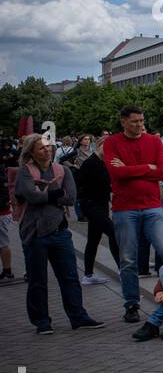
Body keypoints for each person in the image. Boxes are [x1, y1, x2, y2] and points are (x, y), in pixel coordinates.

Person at [14, 134, 104, 334]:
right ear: (31, 152)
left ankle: (78, 316)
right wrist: (54, 194)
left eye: (48, 147)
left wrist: (46, 196)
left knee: (70, 277)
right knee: (38, 280)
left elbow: (71, 198)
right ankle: (42, 321)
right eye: (41, 148)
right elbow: (31, 196)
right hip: (35, 233)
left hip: (60, 232)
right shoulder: (25, 172)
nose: (46, 151)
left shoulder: (62, 170)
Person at [103, 105, 163, 323]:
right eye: (135, 122)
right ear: (123, 122)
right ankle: (132, 304)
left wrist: (131, 168)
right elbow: (116, 172)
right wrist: (147, 168)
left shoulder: (153, 141)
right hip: (125, 209)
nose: (140, 125)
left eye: (142, 121)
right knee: (127, 259)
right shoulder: (112, 142)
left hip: (153, 206)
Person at [76, 136, 118, 286]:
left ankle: (88, 275)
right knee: (113, 232)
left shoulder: (103, 163)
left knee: (93, 239)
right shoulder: (90, 163)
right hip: (91, 205)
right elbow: (82, 186)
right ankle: (122, 269)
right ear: (99, 146)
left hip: (100, 205)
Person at [0, 136, 15, 283]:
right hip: (3, 209)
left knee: (3, 242)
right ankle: (6, 269)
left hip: (2, 211)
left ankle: (7, 270)